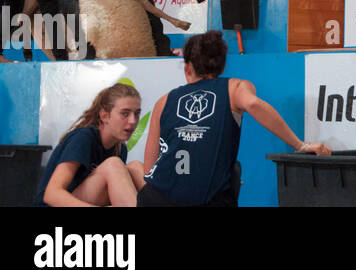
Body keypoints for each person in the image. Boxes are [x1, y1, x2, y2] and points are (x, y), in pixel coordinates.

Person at [140, 30, 329, 206]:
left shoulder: (164, 101)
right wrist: (301, 145)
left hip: (156, 198)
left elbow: (149, 169)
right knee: (231, 174)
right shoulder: (235, 87)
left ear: (188, 67)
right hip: (206, 200)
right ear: (222, 67)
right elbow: (253, 104)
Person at [35, 82, 146, 206]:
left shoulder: (120, 149)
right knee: (113, 164)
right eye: (125, 113)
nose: (133, 121)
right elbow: (51, 195)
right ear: (104, 116)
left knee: (135, 167)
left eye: (136, 114)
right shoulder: (83, 138)